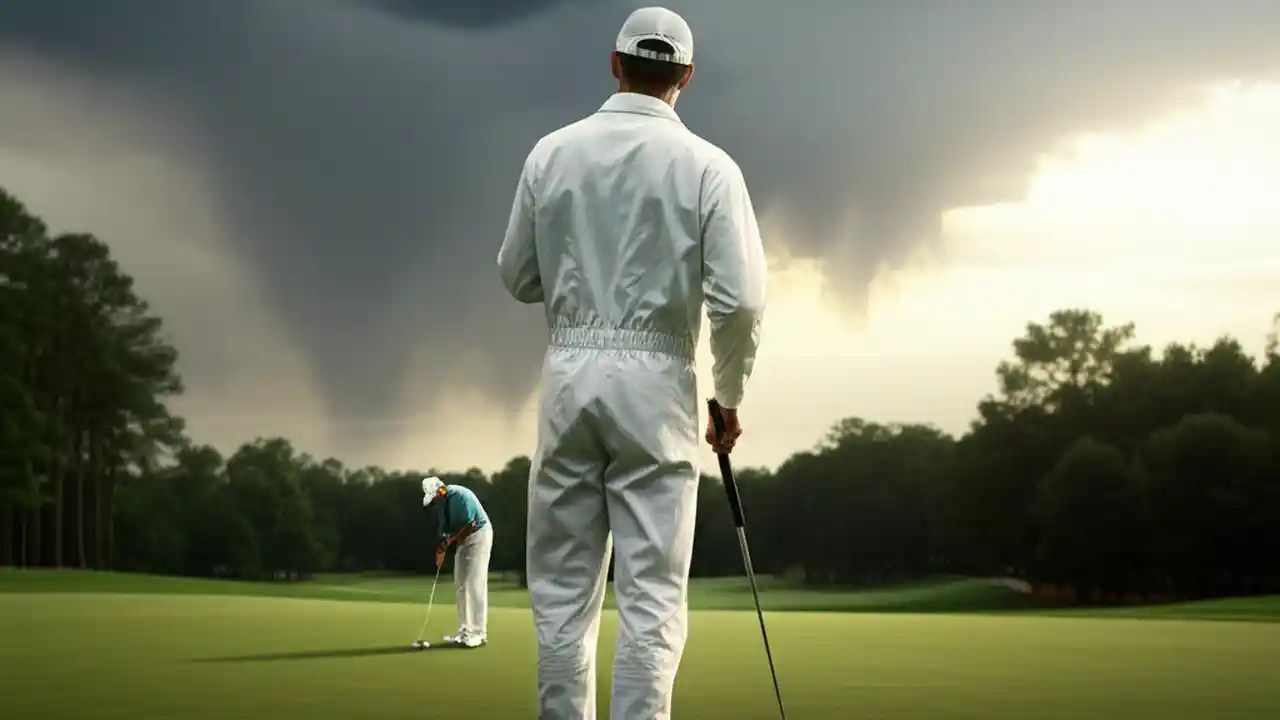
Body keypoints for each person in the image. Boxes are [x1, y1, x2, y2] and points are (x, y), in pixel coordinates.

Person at [496, 6, 767, 718]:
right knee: (650, 597)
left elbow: (517, 277)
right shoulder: (711, 166)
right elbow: (739, 301)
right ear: (686, 76)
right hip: (659, 382)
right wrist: (728, 396)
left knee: (560, 590)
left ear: (614, 63)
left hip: (568, 375)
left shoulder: (550, 153)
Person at [421, 476, 493, 649]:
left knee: (474, 583)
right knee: (461, 584)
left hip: (479, 535)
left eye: (435, 496)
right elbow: (445, 532)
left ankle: (478, 633)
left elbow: (469, 524)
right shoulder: (443, 504)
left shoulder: (459, 495)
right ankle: (464, 630)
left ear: (441, 490)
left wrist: (451, 541)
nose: (435, 501)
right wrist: (441, 549)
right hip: (463, 540)